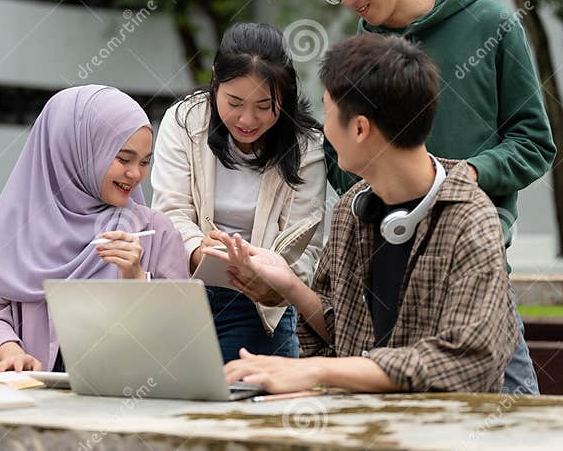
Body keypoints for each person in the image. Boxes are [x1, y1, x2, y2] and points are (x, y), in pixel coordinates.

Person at [300, 0, 555, 394]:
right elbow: (346, 168)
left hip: (471, 268)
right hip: (382, 268)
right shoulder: (357, 56)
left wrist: (464, 177)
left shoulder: (491, 25)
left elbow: (533, 142)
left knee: (511, 414)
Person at [211, 34, 516, 394]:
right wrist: (289, 284)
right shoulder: (351, 210)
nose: (323, 130)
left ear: (359, 128)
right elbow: (343, 331)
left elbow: (468, 361)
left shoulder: (471, 219)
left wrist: (319, 370)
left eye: (327, 114)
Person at [0, 85, 188, 372]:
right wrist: (10, 352)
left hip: (124, 394)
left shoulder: (155, 232)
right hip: (33, 391)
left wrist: (137, 279)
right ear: (74, 150)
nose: (135, 174)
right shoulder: (11, 229)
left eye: (145, 162)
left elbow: (182, 329)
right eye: (123, 158)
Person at [150, 23, 327, 362]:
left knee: (249, 395)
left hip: (261, 308)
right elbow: (171, 211)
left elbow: (305, 244)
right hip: (186, 295)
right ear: (215, 83)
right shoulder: (185, 120)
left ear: (285, 96)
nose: (247, 119)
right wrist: (200, 253)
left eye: (264, 105)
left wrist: (272, 284)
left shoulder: (307, 145)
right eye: (234, 102)